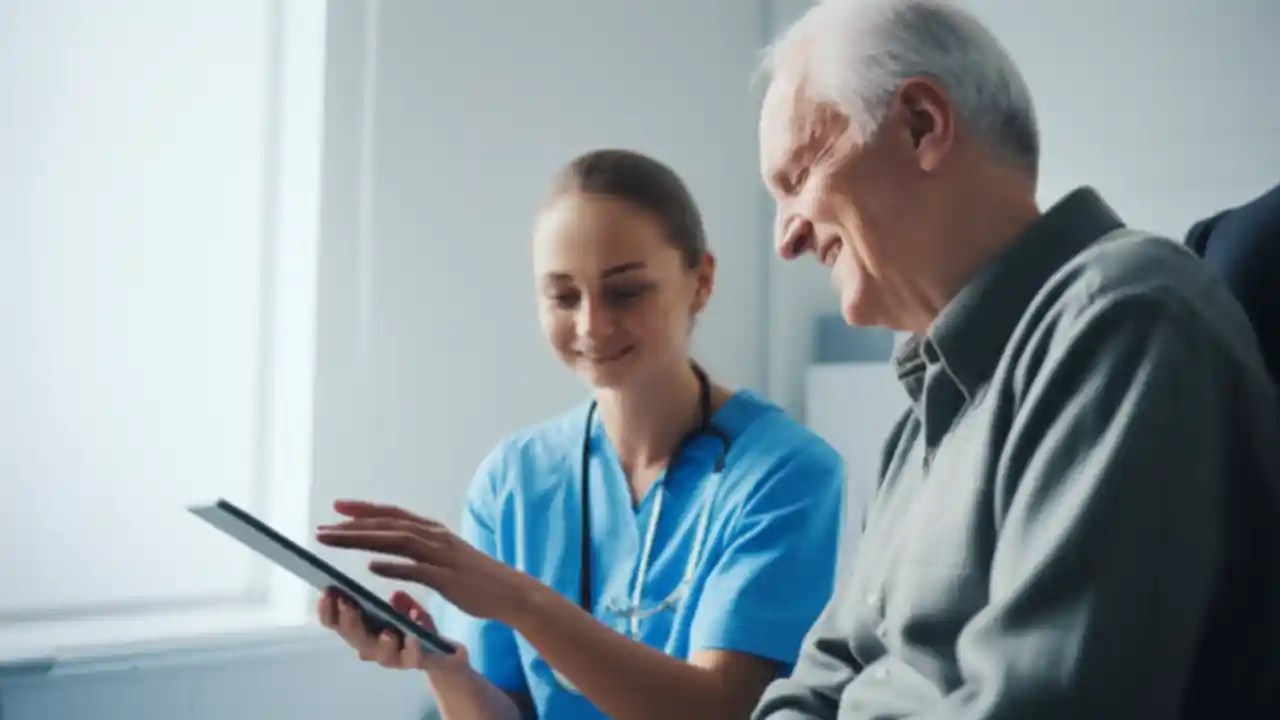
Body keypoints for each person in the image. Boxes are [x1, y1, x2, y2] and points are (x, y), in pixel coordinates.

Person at [750, 0, 1280, 717]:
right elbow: (817, 681)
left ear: (921, 126)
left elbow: (1044, 704)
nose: (786, 239)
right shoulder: (925, 413)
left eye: (797, 177)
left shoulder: (1120, 319)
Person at [312, 148, 846, 719]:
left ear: (702, 281)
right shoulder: (513, 478)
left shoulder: (786, 472)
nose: (592, 324)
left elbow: (721, 710)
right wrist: (441, 665)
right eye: (563, 296)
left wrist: (524, 603)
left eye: (626, 291)